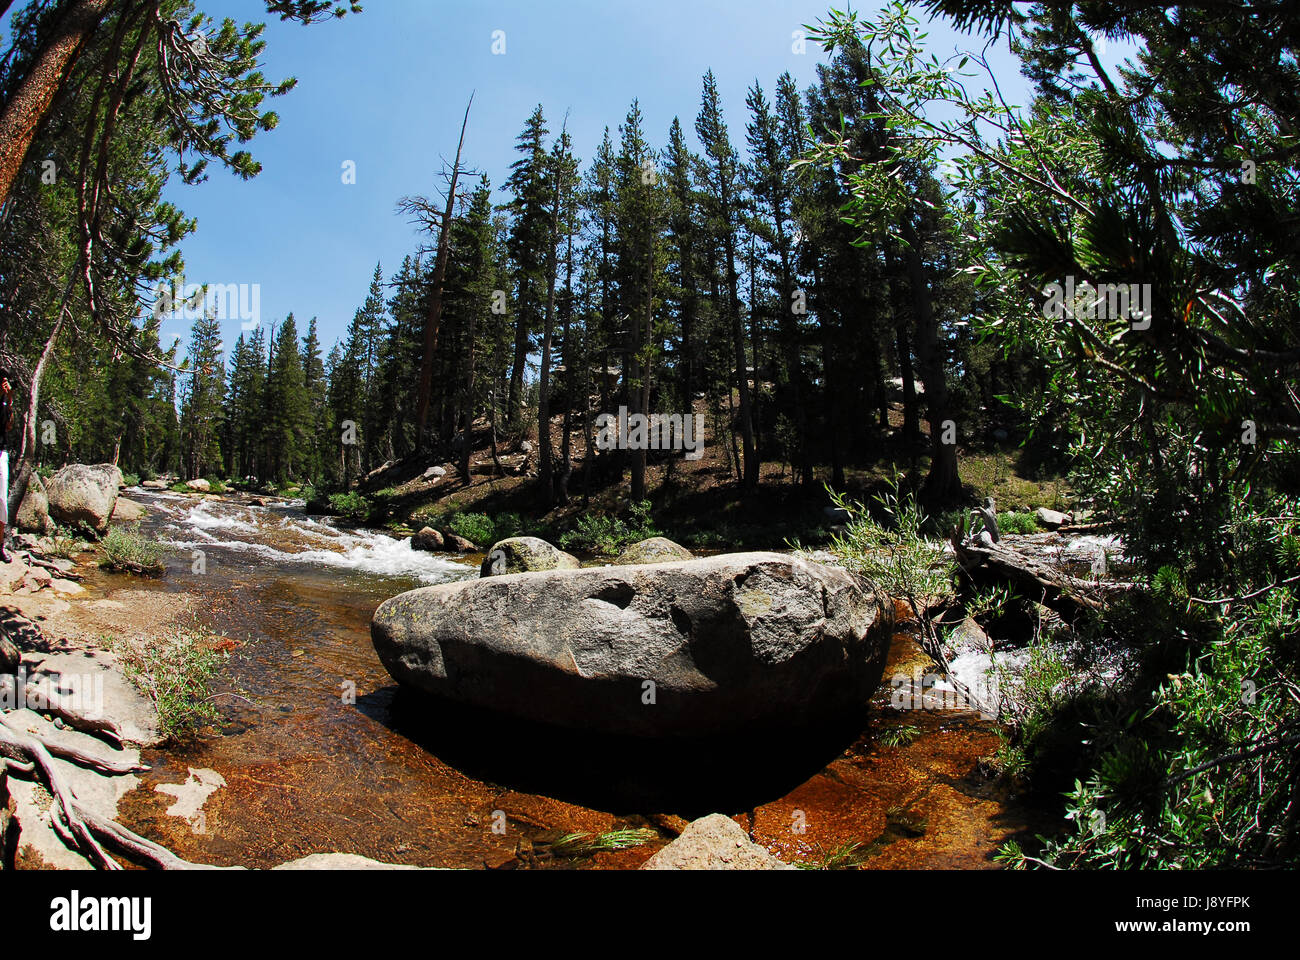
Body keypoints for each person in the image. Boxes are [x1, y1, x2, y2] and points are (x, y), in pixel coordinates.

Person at [0, 369, 12, 562]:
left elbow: (9, 426)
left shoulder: (5, 403)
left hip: (1, 451)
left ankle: (0, 545)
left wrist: (9, 400)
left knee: (1, 501)